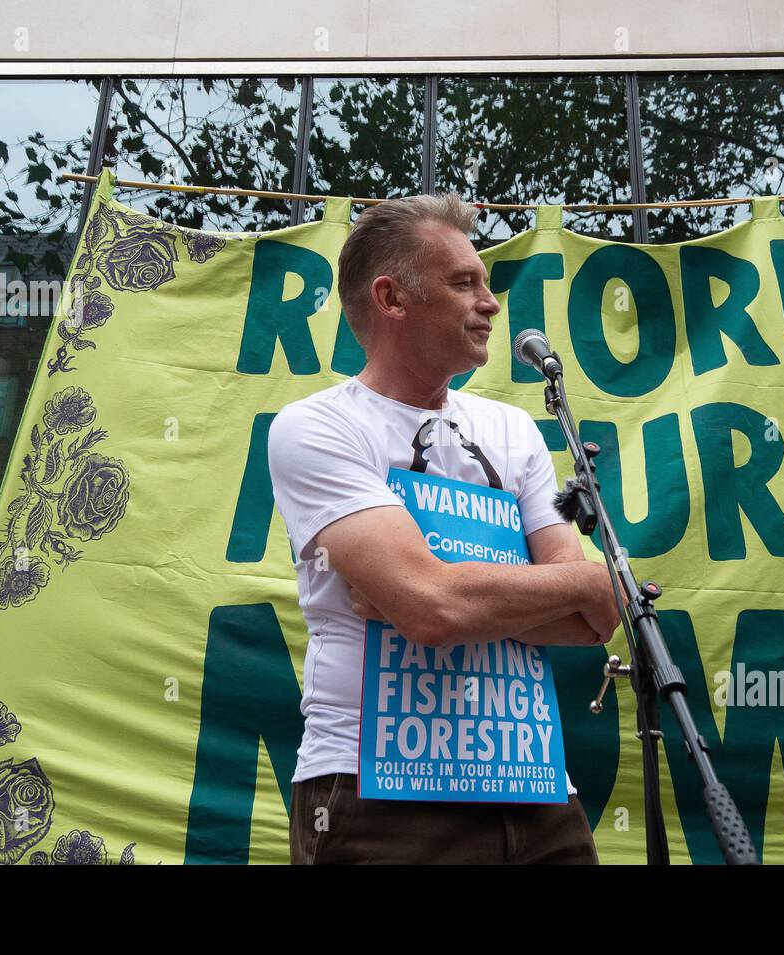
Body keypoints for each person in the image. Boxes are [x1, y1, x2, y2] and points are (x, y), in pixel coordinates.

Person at [267, 192, 622, 864]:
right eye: (464, 283)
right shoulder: (316, 427)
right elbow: (432, 609)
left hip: (535, 783)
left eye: (485, 284)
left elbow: (596, 614)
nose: (490, 302)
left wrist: (424, 597)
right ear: (392, 299)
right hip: (374, 793)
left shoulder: (512, 429)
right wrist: (464, 596)